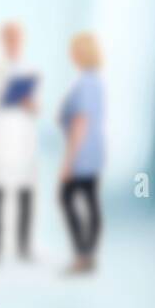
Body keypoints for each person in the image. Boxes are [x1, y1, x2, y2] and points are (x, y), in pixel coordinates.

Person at [0, 22, 39, 263]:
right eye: (9, 39)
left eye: (17, 39)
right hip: (1, 137)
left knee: (25, 193)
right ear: (2, 41)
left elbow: (36, 107)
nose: (14, 43)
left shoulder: (29, 69)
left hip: (23, 139)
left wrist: (29, 105)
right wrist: (2, 97)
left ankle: (24, 246)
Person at [59, 32, 105, 275]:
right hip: (95, 150)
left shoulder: (84, 83)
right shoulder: (96, 81)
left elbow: (80, 122)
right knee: (90, 200)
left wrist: (68, 161)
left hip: (82, 152)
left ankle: (82, 255)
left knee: (67, 198)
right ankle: (88, 254)